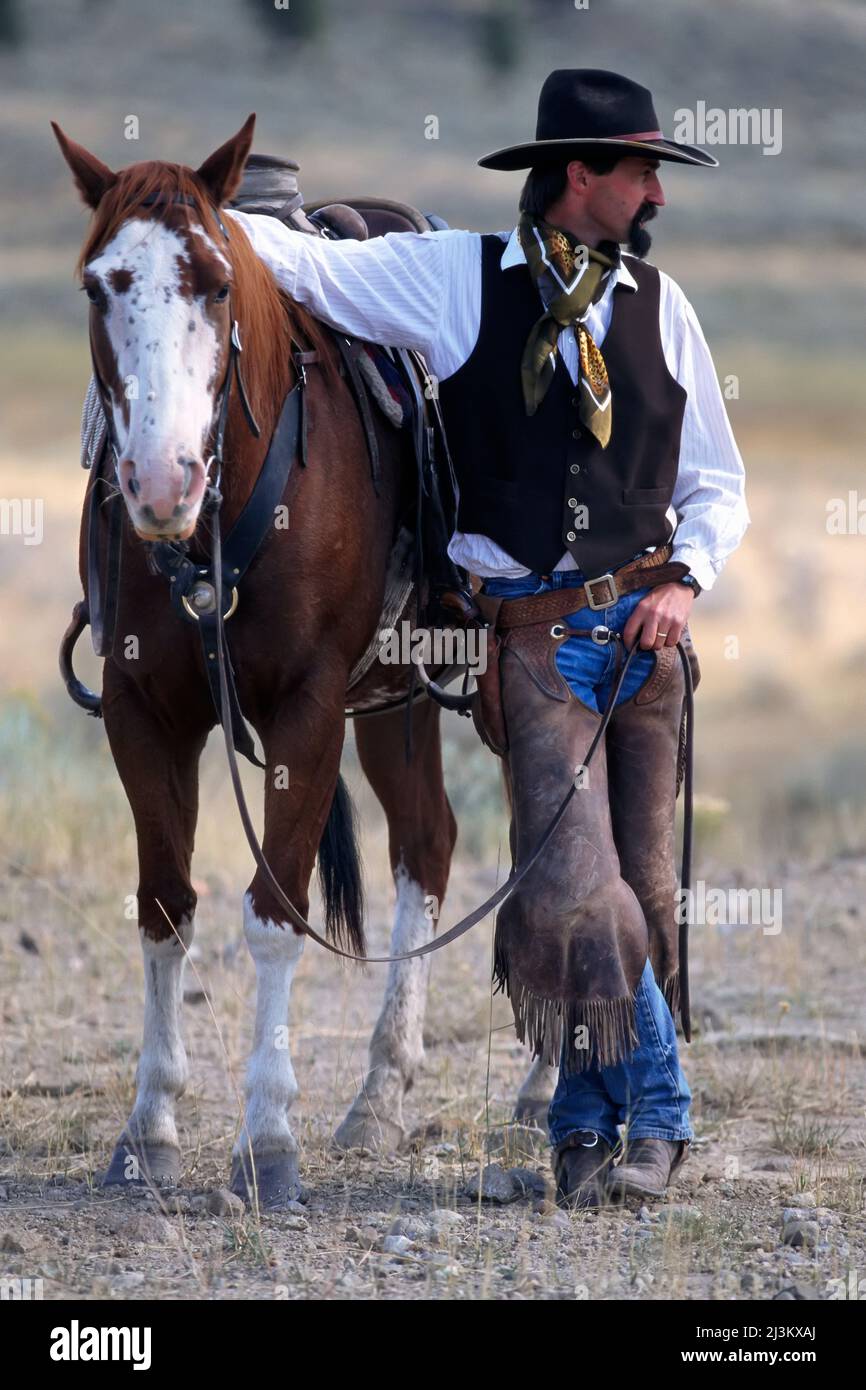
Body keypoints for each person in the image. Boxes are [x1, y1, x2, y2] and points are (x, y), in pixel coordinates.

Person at [227, 68, 749, 1207]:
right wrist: (184, 207)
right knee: (580, 883)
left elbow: (718, 483)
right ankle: (660, 1120)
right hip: (531, 641)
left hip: (646, 634)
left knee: (641, 892)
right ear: (581, 176)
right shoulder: (454, 280)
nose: (655, 187)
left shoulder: (663, 307)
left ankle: (576, 1121)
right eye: (639, 167)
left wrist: (685, 582)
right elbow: (309, 266)